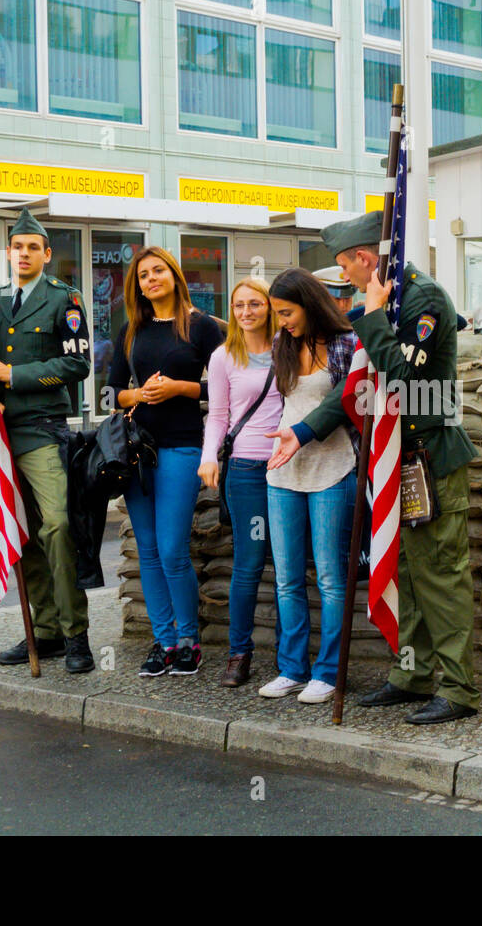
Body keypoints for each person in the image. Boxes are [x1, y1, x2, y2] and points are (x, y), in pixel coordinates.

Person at [269, 212, 480, 725]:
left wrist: (372, 315)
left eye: (347, 266)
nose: (348, 279)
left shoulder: (421, 300)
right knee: (405, 570)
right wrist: (301, 432)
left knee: (441, 574)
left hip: (428, 455)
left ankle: (458, 689)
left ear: (365, 258)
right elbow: (359, 388)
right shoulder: (388, 304)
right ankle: (411, 674)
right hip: (394, 460)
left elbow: (404, 375)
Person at [0, 209, 94, 672]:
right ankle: (44, 631)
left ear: (46, 255)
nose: (24, 253)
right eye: (17, 246)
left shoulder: (64, 300)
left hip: (43, 432)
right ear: (8, 253)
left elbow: (77, 366)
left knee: (56, 527)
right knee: (23, 534)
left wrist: (15, 375)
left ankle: (76, 636)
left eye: (33, 247)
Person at [107, 246, 223, 677]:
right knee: (149, 550)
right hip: (137, 451)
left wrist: (179, 388)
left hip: (180, 446)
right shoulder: (131, 331)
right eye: (142, 275)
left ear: (174, 276)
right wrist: (137, 395)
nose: (150, 279)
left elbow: (225, 389)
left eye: (158, 271)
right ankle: (164, 641)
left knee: (174, 549)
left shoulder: (201, 327)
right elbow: (115, 390)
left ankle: (189, 641)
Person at [258, 268, 359, 704]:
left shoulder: (346, 344)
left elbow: (349, 405)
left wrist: (303, 433)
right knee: (287, 579)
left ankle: (329, 672)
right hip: (283, 471)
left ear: (308, 302)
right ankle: (293, 668)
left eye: (286, 312)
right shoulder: (283, 343)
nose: (282, 321)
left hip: (333, 468)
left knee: (332, 579)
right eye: (278, 314)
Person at [198, 278, 283, 687]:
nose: (247, 312)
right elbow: (217, 415)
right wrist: (208, 457)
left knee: (288, 564)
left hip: (289, 467)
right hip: (247, 469)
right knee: (249, 564)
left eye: (255, 304)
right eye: (239, 305)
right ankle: (239, 654)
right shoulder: (223, 356)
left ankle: (291, 658)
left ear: (269, 307)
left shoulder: (290, 349)